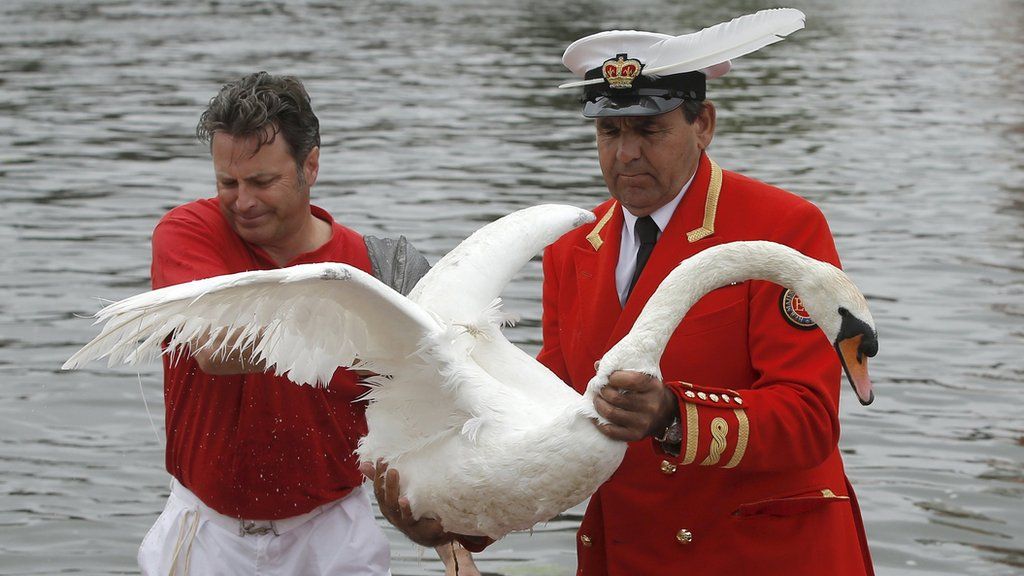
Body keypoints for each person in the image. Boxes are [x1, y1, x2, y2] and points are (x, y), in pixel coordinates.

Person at [369, 12, 875, 576]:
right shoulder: (572, 250)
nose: (626, 153)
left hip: (759, 556)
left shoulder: (782, 228)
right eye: (610, 132)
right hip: (628, 555)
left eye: (648, 130)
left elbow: (810, 420)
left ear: (703, 124)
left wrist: (673, 414)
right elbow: (548, 416)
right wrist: (452, 514)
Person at [139, 71, 433, 575]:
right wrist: (364, 331)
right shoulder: (188, 231)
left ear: (310, 165)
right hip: (208, 532)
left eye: (262, 182)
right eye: (227, 183)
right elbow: (213, 349)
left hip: (334, 532)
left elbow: (430, 411)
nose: (243, 202)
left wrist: (451, 545)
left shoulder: (375, 267)